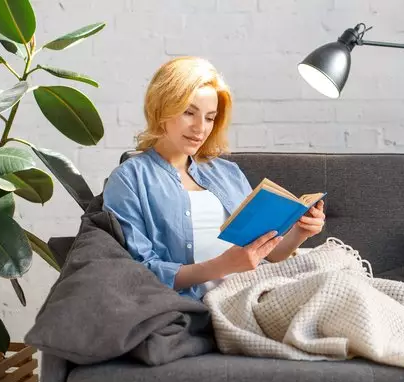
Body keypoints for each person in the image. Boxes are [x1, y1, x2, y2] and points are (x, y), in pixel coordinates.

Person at [102, 56, 326, 301]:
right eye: (189, 113)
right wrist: (222, 266)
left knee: (340, 282)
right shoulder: (130, 179)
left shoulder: (226, 173)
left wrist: (299, 233)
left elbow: (269, 254)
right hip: (211, 302)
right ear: (162, 109)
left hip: (261, 288)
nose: (201, 128)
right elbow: (140, 272)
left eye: (210, 118)